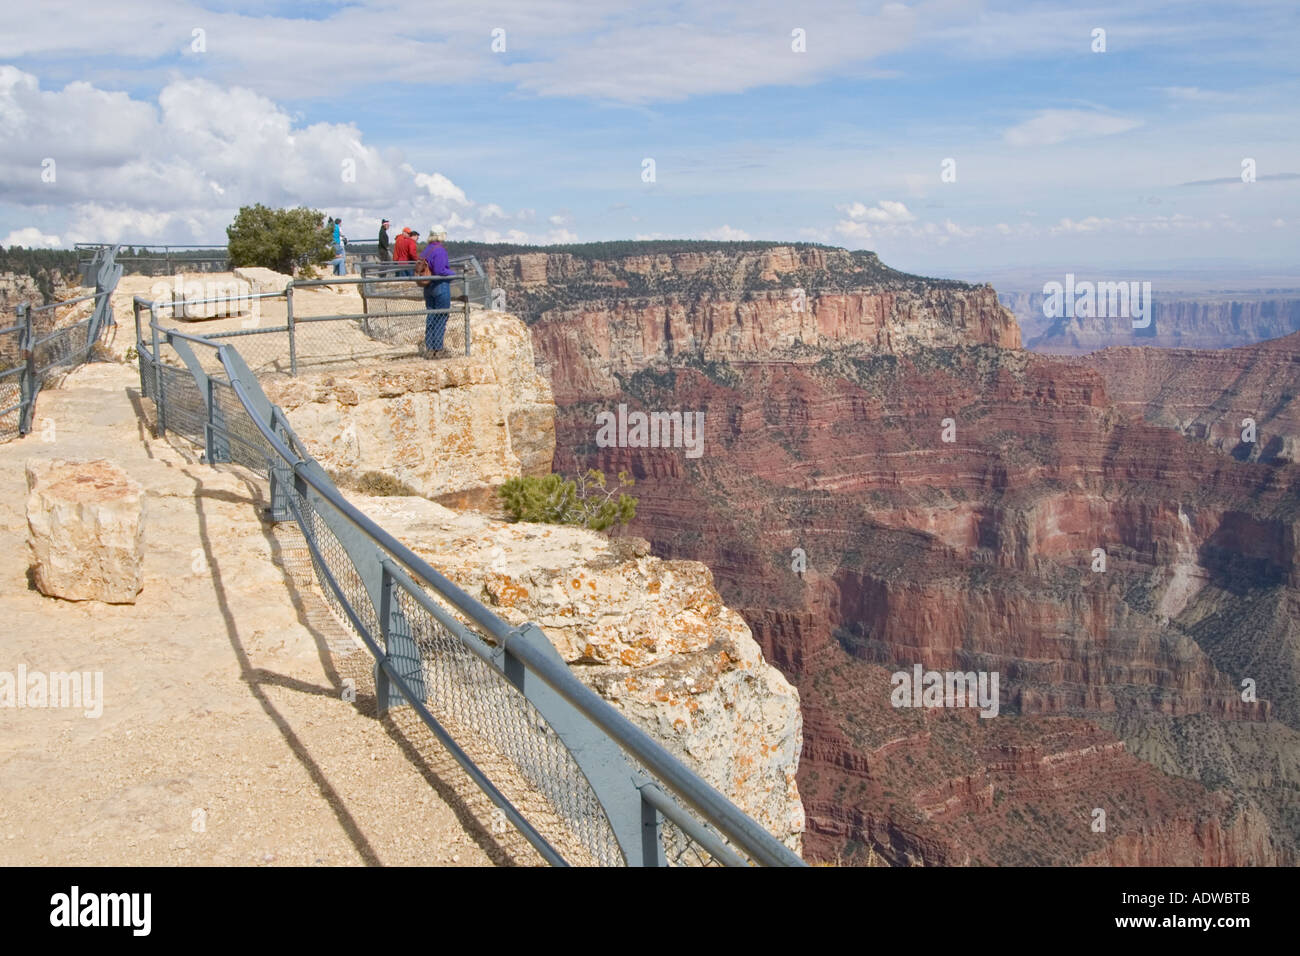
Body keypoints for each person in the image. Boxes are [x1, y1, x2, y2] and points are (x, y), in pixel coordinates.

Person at [419, 225, 455, 357]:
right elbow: (440, 270)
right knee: (441, 316)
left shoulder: (426, 250)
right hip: (440, 286)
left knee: (431, 316)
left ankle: (430, 348)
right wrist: (452, 273)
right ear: (441, 235)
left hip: (428, 287)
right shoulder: (439, 250)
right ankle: (438, 349)